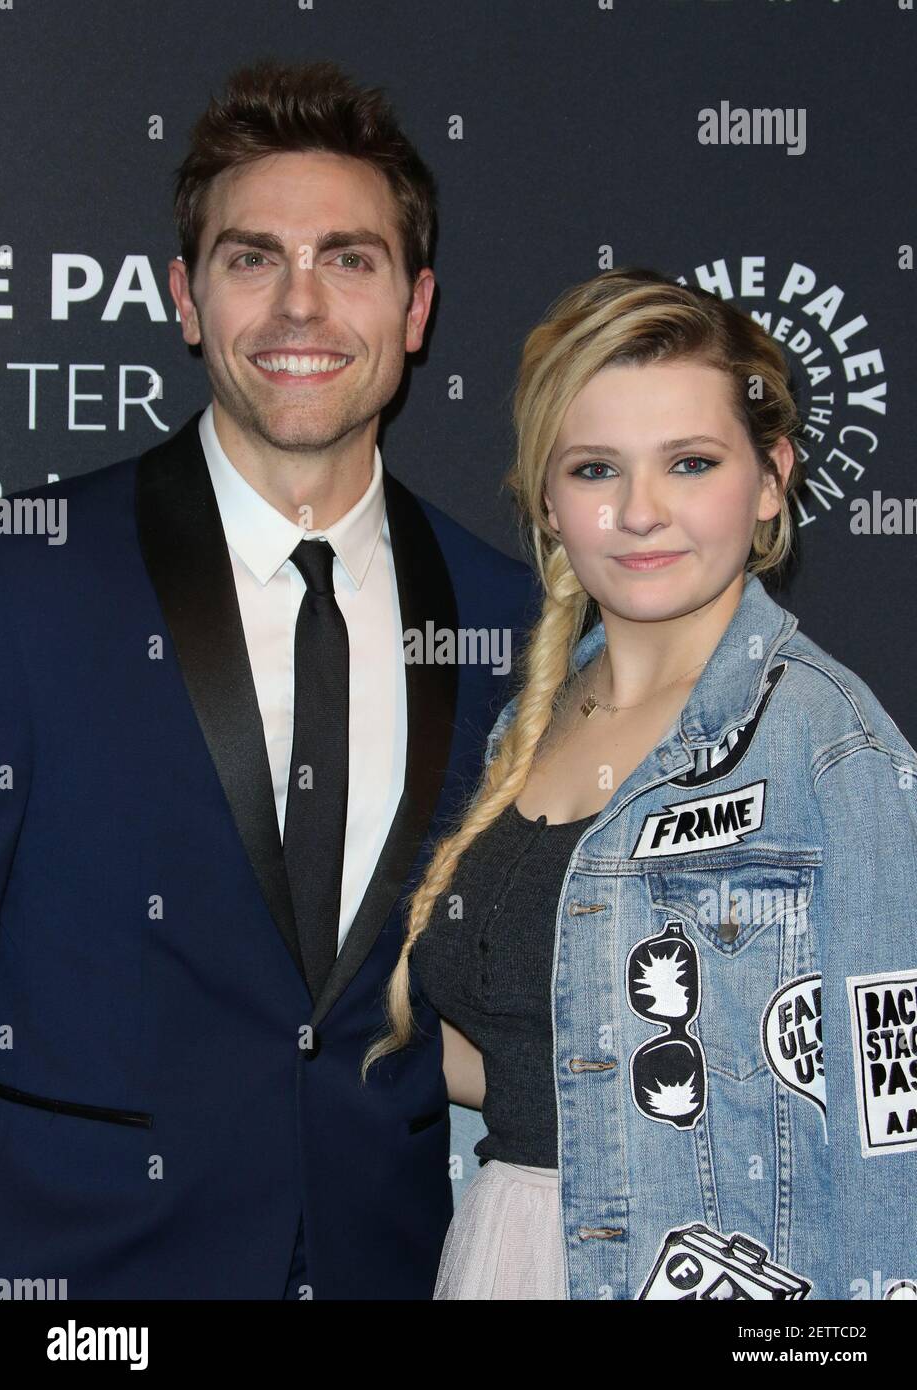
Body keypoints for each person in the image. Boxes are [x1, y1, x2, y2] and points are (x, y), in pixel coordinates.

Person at [0, 58, 537, 1299]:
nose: (301, 306)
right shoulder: (29, 579)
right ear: (187, 299)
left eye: (349, 260)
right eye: (252, 260)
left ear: (416, 307)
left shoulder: (508, 620)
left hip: (383, 1269)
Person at [363, 266, 917, 1300]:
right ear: (545, 497)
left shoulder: (827, 749)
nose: (638, 512)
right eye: (594, 470)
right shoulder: (529, 729)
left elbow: (897, 1140)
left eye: (689, 462)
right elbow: (552, 1056)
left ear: (768, 478)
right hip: (503, 1251)